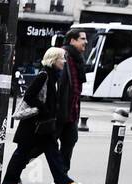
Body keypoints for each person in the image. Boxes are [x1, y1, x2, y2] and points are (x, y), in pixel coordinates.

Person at [2, 48, 81, 184]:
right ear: (53, 60)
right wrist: (44, 109)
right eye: (61, 59)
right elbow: (29, 96)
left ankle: (63, 183)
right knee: (22, 153)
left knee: (52, 152)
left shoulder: (53, 76)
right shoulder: (44, 75)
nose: (64, 62)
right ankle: (8, 182)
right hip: (33, 124)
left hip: (43, 125)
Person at [55, 28, 87, 175]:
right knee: (42, 144)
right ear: (72, 40)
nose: (85, 42)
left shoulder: (78, 59)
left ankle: (62, 175)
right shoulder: (62, 55)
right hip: (60, 109)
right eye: (82, 39)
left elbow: (76, 87)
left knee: (70, 141)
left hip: (72, 111)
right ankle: (16, 172)